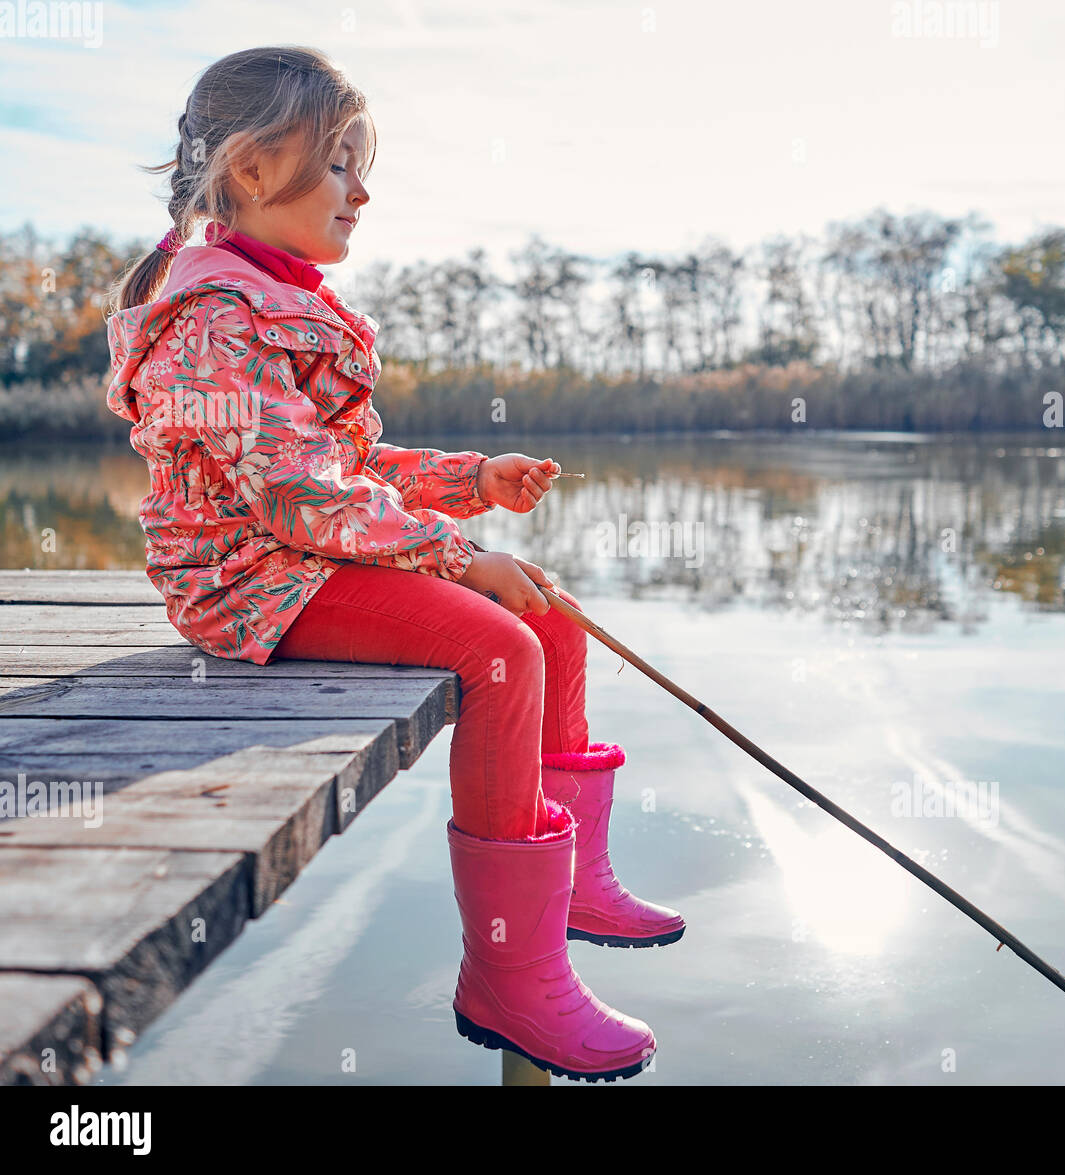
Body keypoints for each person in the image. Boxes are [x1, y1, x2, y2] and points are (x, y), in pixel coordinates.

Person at [102, 44, 683, 1083]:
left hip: (301, 555)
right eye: (337, 163)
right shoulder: (213, 319)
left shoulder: (277, 297)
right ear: (249, 167)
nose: (361, 191)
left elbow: (349, 466)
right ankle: (509, 975)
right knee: (499, 644)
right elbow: (299, 491)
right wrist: (459, 561)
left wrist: (471, 480)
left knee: (547, 609)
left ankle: (573, 878)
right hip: (245, 580)